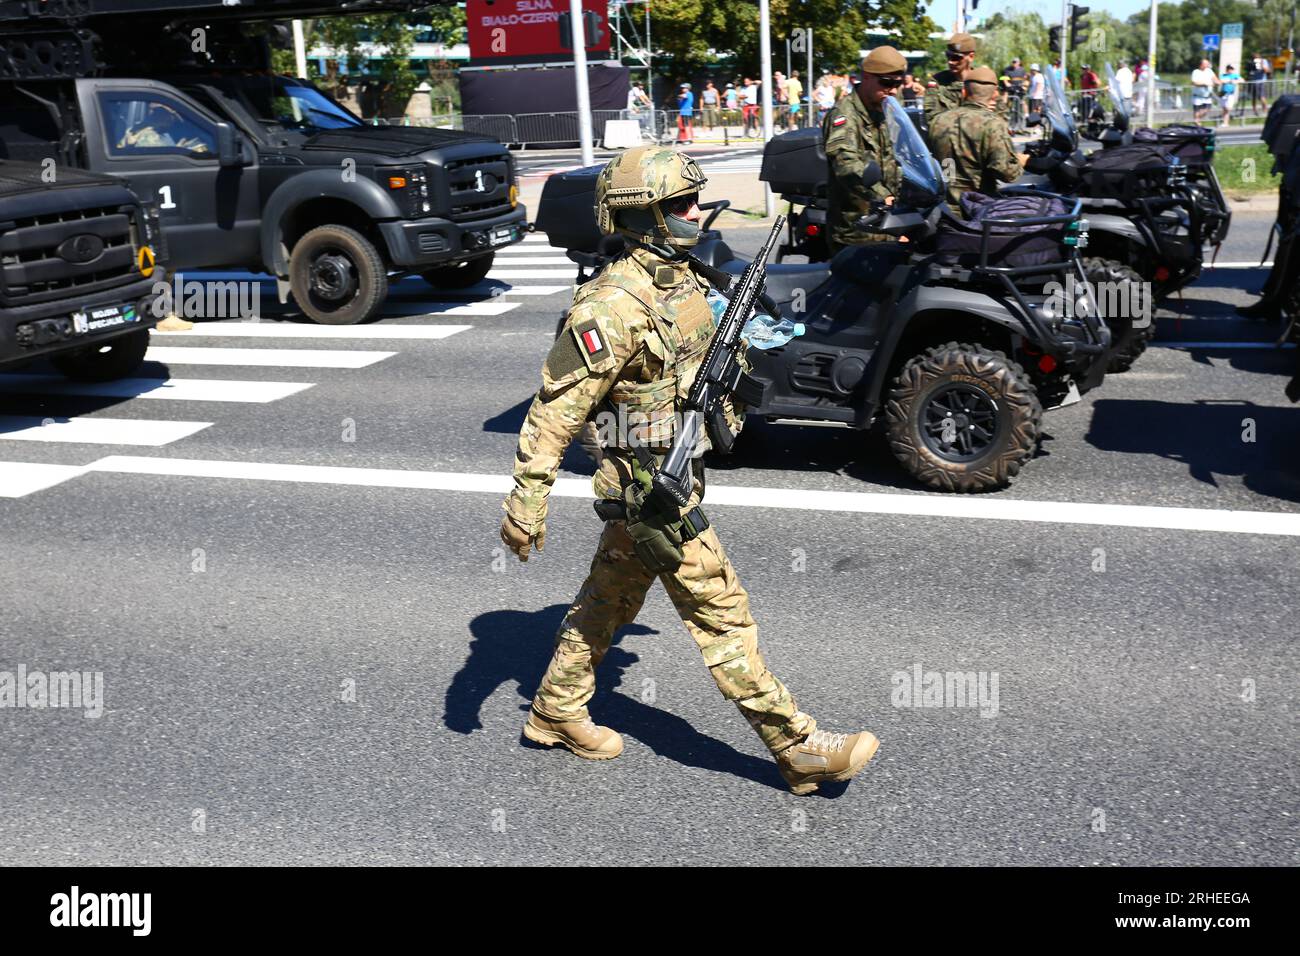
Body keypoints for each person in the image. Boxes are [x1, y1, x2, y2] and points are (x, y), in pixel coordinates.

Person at [500, 144, 880, 795]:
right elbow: (556, 410)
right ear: (643, 215)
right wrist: (526, 500)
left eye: (693, 199)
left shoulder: (683, 277)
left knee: (607, 601)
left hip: (675, 468)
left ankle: (555, 710)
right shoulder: (610, 308)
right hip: (651, 491)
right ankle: (797, 747)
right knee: (721, 610)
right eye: (680, 203)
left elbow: (709, 350)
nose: (695, 211)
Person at [824, 45, 908, 254]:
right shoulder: (844, 115)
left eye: (898, 84)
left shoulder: (888, 109)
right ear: (867, 77)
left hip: (891, 225)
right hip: (857, 232)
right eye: (887, 83)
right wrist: (883, 196)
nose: (893, 90)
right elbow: (847, 164)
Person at [928, 66, 1029, 213]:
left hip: (943, 209)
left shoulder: (938, 121)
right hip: (976, 209)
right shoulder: (992, 123)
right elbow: (1006, 173)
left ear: (964, 92)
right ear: (994, 95)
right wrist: (1021, 162)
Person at [926, 32, 977, 126]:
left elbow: (999, 117)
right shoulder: (937, 82)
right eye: (948, 56)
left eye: (956, 57)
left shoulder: (982, 82)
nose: (950, 62)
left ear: (971, 57)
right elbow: (931, 118)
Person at [1191, 59, 1218, 124]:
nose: (1207, 65)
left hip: (1207, 96)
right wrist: (1204, 84)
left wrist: (1218, 82)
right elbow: (1194, 82)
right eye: (1206, 64)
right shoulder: (1196, 72)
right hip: (1198, 95)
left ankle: (1196, 119)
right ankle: (1197, 123)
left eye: (1207, 64)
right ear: (1201, 65)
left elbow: (1215, 79)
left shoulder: (1209, 71)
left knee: (1207, 110)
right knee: (1196, 110)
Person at [1004, 57, 1027, 133]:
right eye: (1013, 62)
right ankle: (1008, 116)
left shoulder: (1022, 70)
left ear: (1019, 63)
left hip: (1020, 90)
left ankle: (1024, 118)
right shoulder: (1007, 69)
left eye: (1015, 62)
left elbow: (1025, 78)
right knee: (1010, 104)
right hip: (1012, 89)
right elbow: (1004, 78)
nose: (1014, 63)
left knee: (1021, 103)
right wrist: (1007, 83)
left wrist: (1024, 85)